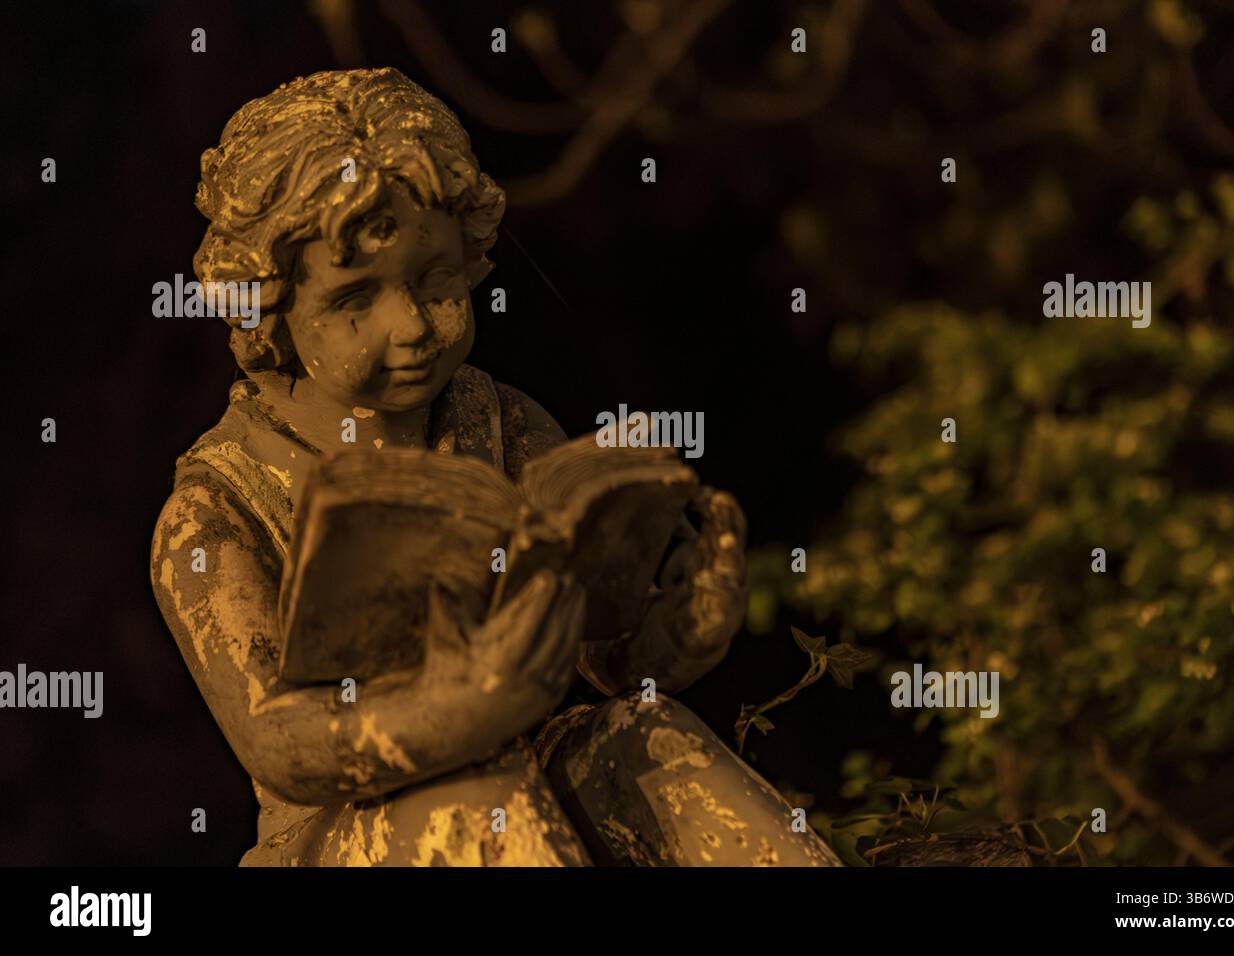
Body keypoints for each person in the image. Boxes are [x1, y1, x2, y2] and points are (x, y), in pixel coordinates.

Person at [150, 67, 840, 867]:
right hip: (344, 839)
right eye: (354, 301)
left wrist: (678, 629)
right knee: (476, 799)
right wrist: (459, 710)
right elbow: (280, 742)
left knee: (642, 739)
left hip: (522, 775)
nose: (410, 324)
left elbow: (601, 655)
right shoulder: (216, 509)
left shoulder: (500, 424)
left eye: (435, 281)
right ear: (267, 307)